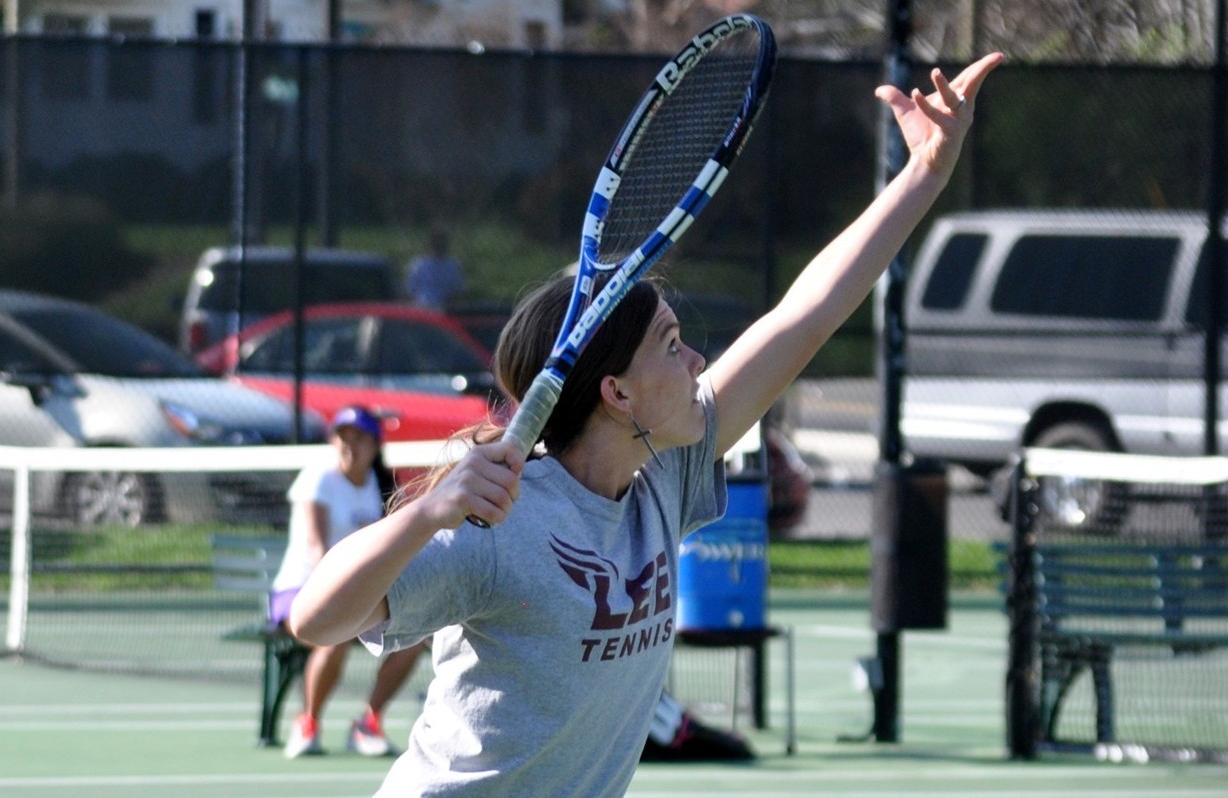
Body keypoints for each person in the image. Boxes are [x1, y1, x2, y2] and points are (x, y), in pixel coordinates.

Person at [289, 53, 1003, 793]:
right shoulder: (497, 526)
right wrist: (426, 513)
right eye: (670, 343)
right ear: (617, 394)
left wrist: (924, 175)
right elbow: (314, 616)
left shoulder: (662, 473)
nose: (696, 359)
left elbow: (806, 315)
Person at [269, 405, 426, 759]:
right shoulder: (318, 478)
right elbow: (316, 547)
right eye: (343, 437)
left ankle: (368, 722)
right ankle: (308, 723)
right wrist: (342, 602)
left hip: (356, 595)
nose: (349, 446)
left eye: (359, 439)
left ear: (374, 445)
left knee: (414, 639)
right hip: (298, 592)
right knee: (335, 634)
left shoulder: (378, 485)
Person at [404, 225, 465, 311]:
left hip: (444, 312)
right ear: (431, 243)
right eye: (436, 241)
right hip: (421, 310)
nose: (439, 244)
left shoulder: (452, 266)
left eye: (442, 241)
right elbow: (409, 291)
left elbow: (458, 292)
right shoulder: (418, 264)